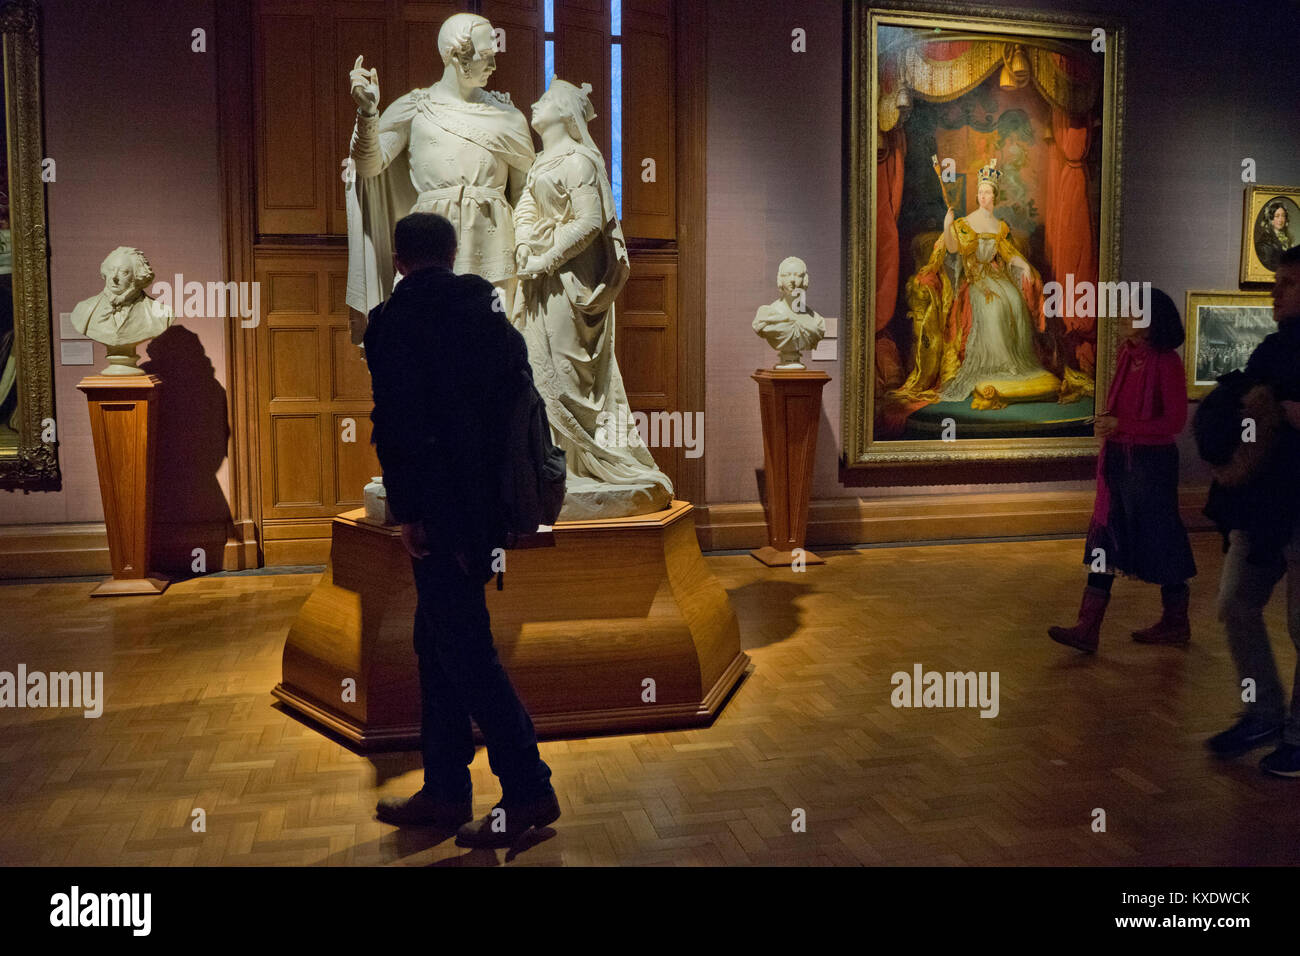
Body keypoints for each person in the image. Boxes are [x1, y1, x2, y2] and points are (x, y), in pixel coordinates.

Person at [363, 212, 560, 845]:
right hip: (489, 511)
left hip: (439, 516)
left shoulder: (393, 325)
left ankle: (530, 789)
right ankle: (446, 788)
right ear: (452, 255)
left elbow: (396, 430)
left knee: (466, 651)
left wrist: (411, 513)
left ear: (400, 262)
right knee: (437, 642)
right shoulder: (494, 322)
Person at [512, 79, 672, 519]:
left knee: (568, 373)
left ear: (564, 112)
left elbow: (590, 221)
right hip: (539, 279)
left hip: (571, 284)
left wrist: (545, 257)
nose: (532, 101)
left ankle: (588, 463)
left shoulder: (581, 161)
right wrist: (525, 244)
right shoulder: (543, 160)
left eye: (542, 99)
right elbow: (524, 209)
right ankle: (557, 466)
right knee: (538, 369)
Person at [344, 12, 535, 325]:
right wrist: (368, 114)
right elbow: (369, 167)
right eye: (485, 56)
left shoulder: (508, 118)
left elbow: (528, 190)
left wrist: (527, 243)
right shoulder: (416, 108)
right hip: (427, 247)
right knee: (421, 344)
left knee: (490, 347)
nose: (494, 66)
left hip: (495, 248)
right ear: (456, 56)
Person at [1048, 288, 1196, 653]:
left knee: (1161, 540)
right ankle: (1087, 627)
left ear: (1151, 321)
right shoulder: (1128, 356)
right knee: (1105, 534)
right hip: (1119, 460)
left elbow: (1174, 421)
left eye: (1133, 312)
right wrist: (1110, 426)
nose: (1125, 317)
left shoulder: (1167, 363)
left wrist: (1121, 426)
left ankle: (1176, 621)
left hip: (1151, 466)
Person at [1207, 244, 1300, 776]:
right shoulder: (1271, 349)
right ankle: (1264, 710)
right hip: (1265, 503)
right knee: (1235, 604)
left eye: (1288, 283)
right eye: (1277, 283)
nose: (1275, 293)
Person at [1256, 200, 1296, 273]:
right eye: (1277, 216)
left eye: (1283, 216)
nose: (1281, 219)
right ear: (1271, 219)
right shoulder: (1265, 243)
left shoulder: (1288, 239)